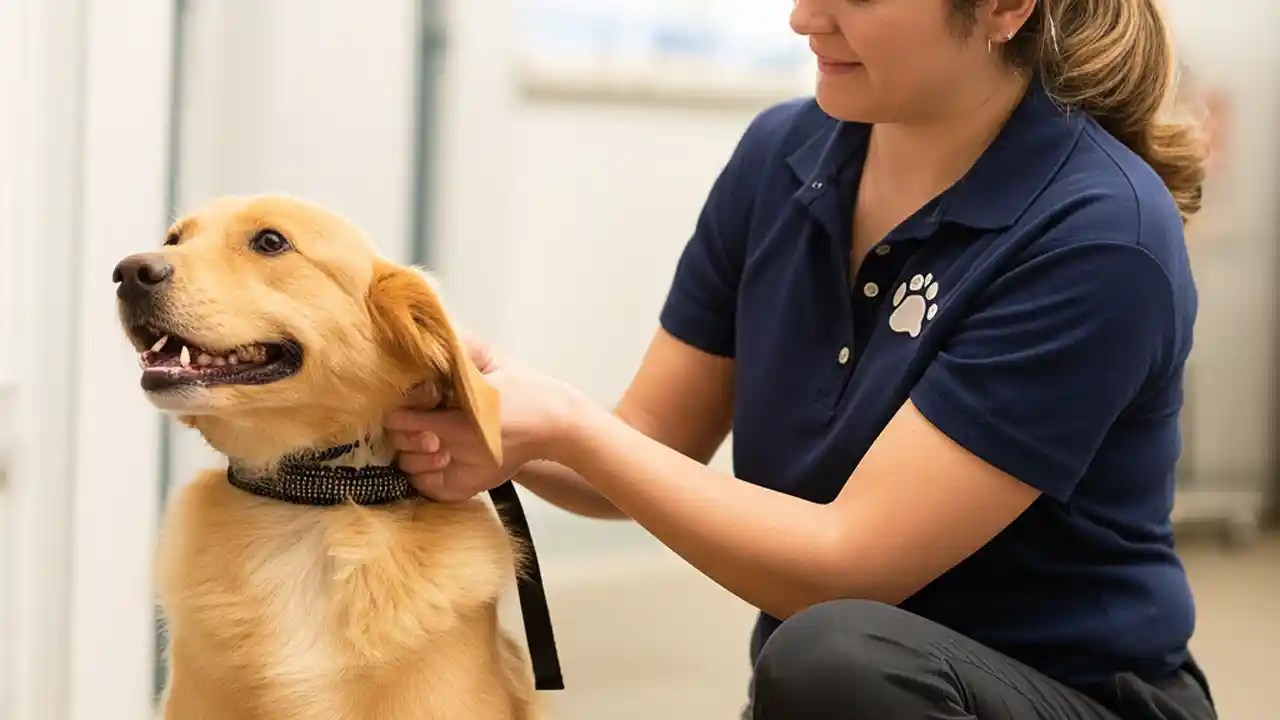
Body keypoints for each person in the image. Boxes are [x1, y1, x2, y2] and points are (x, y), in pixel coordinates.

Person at [386, 0, 1219, 717]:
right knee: (831, 667)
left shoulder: (1099, 236)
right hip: (853, 690)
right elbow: (646, 445)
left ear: (1004, 8)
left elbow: (846, 568)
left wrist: (566, 428)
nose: (802, 17)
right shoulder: (782, 157)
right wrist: (502, 414)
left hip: (1061, 694)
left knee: (835, 658)